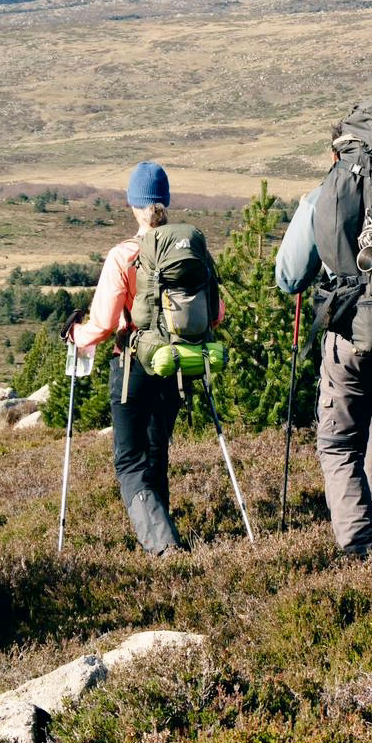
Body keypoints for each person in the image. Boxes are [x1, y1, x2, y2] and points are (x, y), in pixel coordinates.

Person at [274, 123, 372, 558]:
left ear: (337, 154)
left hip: (351, 334)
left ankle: (363, 548)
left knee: (338, 441)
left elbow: (289, 277)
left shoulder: (326, 194)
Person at [68, 161, 218, 555]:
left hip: (131, 364)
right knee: (156, 454)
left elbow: (101, 325)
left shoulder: (124, 255)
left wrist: (75, 335)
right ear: (165, 201)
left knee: (130, 465)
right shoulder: (191, 251)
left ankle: (165, 548)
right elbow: (216, 313)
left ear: (133, 204)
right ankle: (163, 540)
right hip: (175, 364)